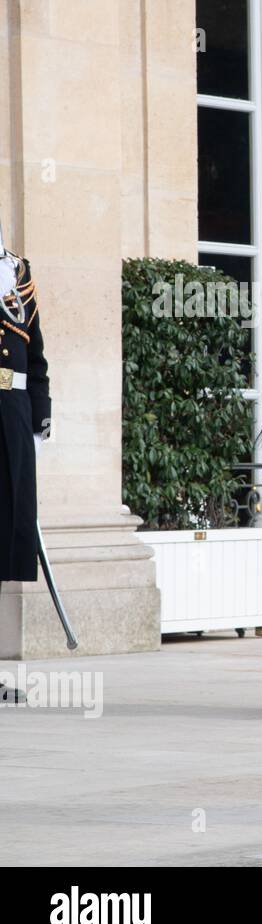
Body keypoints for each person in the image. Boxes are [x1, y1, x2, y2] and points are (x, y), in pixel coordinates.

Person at [0, 226, 51, 706]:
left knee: (5, 535)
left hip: (12, 414)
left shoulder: (19, 270)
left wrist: (40, 415)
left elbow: (35, 355)